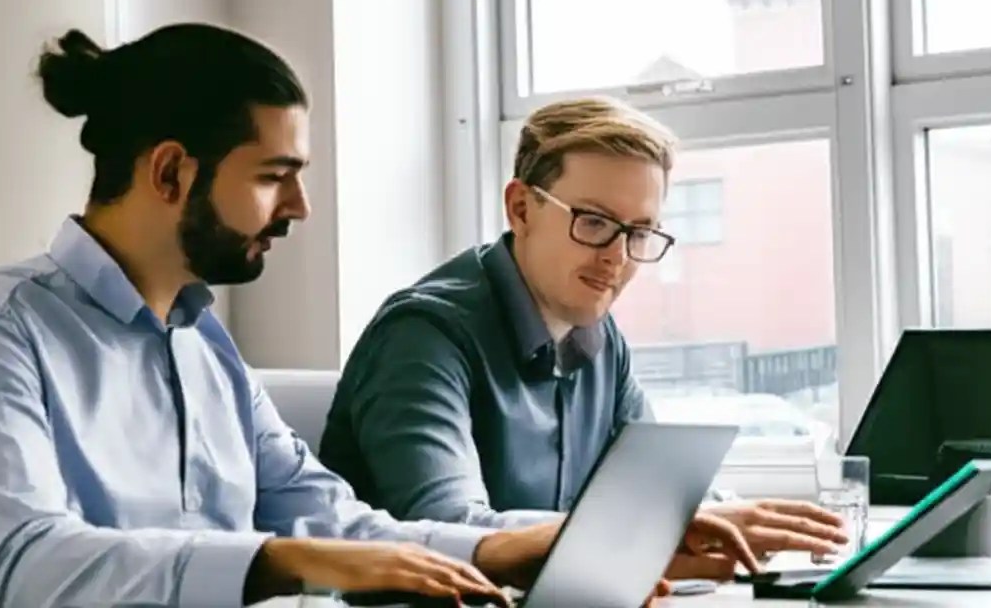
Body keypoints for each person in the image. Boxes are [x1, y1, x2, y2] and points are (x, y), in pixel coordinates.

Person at [0, 26, 753, 608]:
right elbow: (30, 567)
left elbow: (334, 517)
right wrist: (285, 561)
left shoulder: (205, 347)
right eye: (274, 176)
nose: (301, 206)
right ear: (173, 172)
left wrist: (512, 549)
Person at [318, 96, 847, 578]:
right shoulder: (423, 336)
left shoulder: (597, 333)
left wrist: (713, 520)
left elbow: (657, 495)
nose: (617, 257)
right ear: (521, 208)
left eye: (639, 232)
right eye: (594, 222)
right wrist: (663, 534)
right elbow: (451, 528)